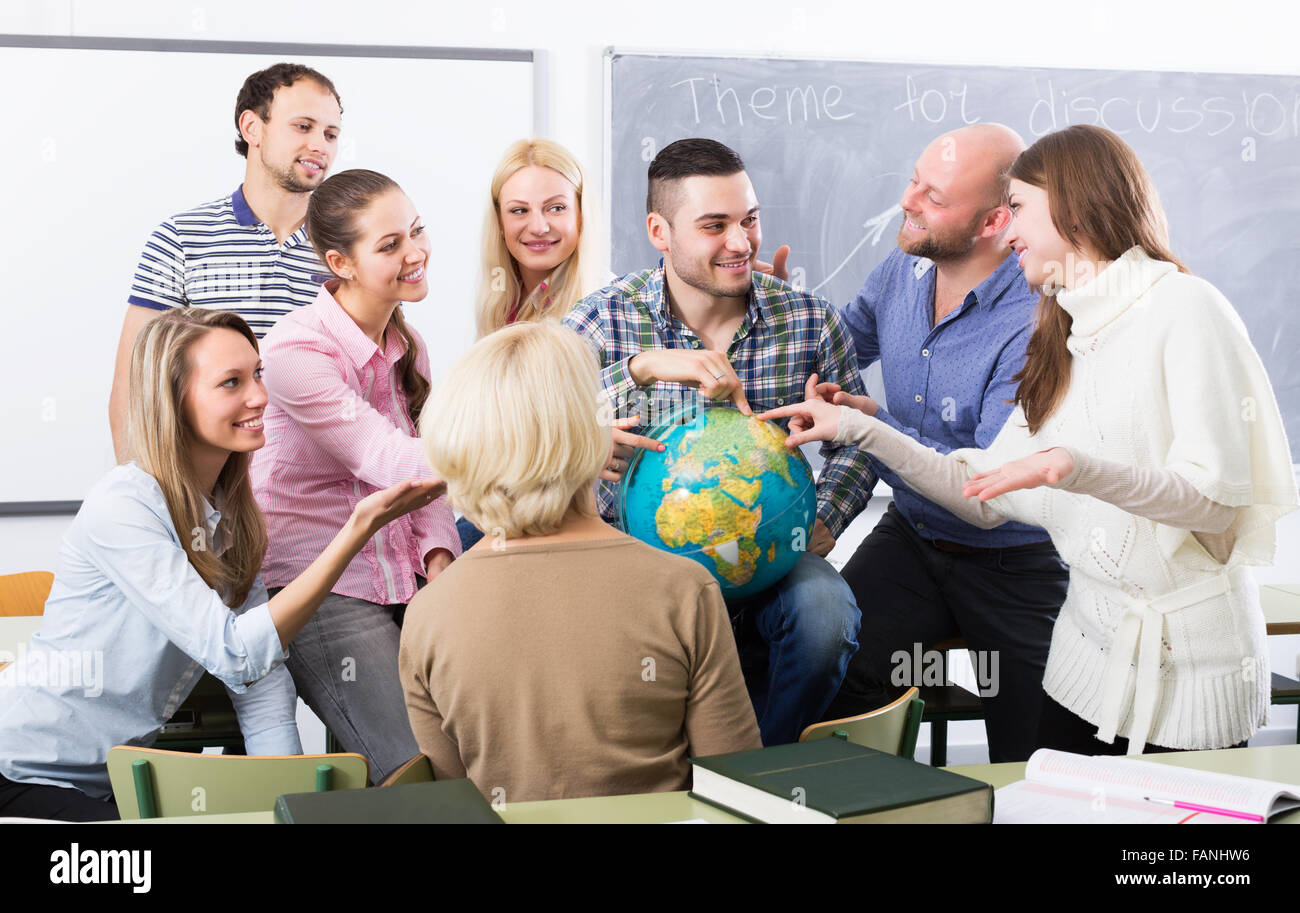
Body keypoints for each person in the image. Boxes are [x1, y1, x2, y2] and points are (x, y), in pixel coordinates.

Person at [760, 124, 1297, 756]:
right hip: (1079, 658)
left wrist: (1073, 467)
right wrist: (852, 414)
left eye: (1019, 210)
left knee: (1172, 856)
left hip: (1171, 666)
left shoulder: (1178, 309)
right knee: (1029, 788)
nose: (1010, 230)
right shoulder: (1065, 325)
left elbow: (1215, 506)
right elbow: (985, 487)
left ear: (1071, 211)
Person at [0, 309, 441, 821]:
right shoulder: (124, 506)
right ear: (173, 402)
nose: (259, 396)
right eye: (231, 382)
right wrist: (355, 532)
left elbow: (258, 681)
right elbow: (233, 653)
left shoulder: (232, 516)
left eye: (257, 374)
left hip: (103, 783)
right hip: (21, 771)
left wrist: (285, 800)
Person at [563, 138, 875, 746]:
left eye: (749, 220)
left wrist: (828, 522)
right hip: (634, 560)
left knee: (826, 619)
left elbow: (856, 441)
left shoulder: (810, 321)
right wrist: (631, 378)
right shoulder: (600, 321)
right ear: (660, 230)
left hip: (771, 558)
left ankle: (758, 768)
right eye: (715, 226)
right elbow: (537, 431)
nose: (741, 242)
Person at [400, 321, 761, 801]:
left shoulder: (427, 613)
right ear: (594, 434)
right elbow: (737, 790)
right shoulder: (684, 589)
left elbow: (451, 800)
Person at [820, 124, 1070, 763]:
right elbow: (836, 354)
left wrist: (871, 422)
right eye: (913, 180)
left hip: (1016, 557)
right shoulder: (901, 271)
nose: (907, 202)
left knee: (1037, 753)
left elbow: (985, 489)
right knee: (834, 673)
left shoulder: (1037, 321)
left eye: (932, 195)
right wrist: (766, 303)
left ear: (992, 222)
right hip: (915, 536)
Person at [250, 169, 459, 784]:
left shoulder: (408, 344)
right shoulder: (296, 351)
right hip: (318, 586)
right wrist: (536, 447)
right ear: (339, 262)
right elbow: (389, 461)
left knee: (467, 746)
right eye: (390, 245)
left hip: (405, 577)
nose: (415, 253)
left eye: (416, 231)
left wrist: (442, 559)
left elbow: (424, 477)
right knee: (415, 768)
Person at [109, 62, 343, 463]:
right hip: (211, 494)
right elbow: (136, 386)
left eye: (330, 133)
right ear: (252, 127)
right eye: (303, 127)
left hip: (322, 496)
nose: (320, 145)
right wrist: (145, 504)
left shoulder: (351, 246)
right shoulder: (181, 240)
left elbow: (385, 378)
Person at [458, 138, 602, 551]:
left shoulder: (607, 307)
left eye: (556, 208)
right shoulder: (499, 305)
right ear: (500, 222)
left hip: (574, 513)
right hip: (507, 501)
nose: (538, 226)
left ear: (579, 214)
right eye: (519, 210)